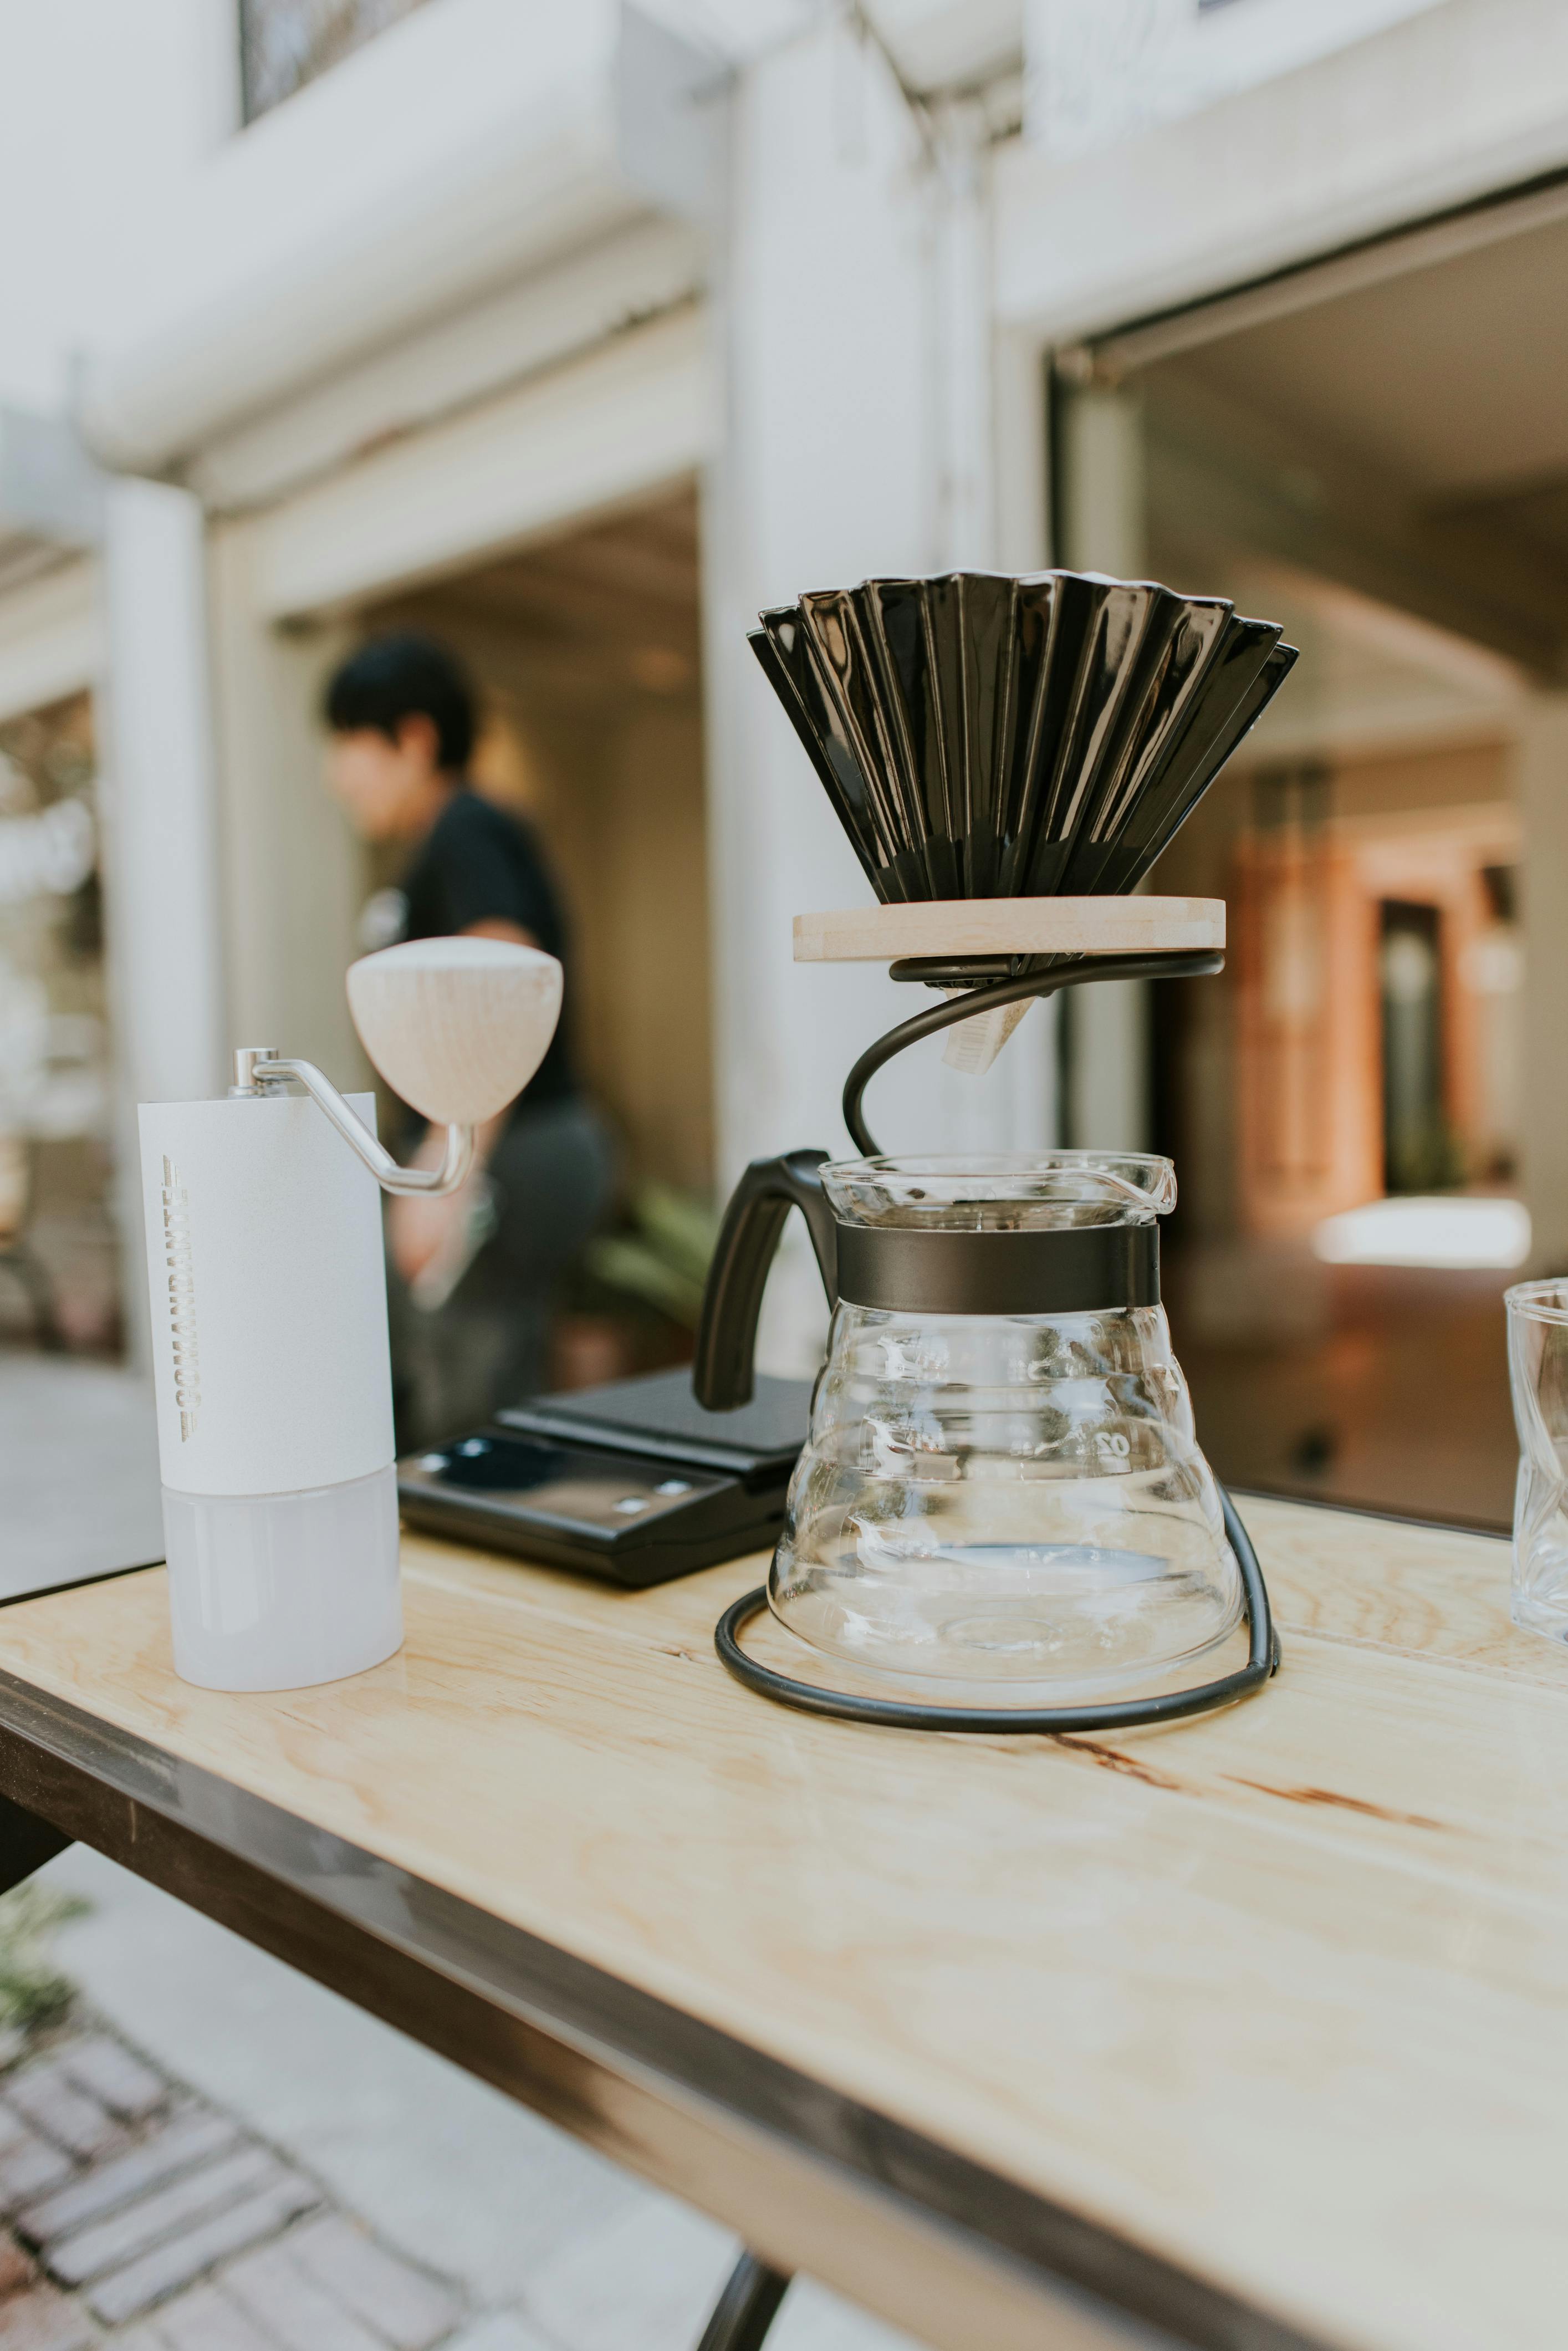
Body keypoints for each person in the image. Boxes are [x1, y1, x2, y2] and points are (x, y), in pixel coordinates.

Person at [324, 632, 613, 1439]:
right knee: (477, 1381)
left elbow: (500, 968)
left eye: (349, 743)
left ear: (413, 740)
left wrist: (450, 1170)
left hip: (511, 1145)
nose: (337, 772)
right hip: (520, 1141)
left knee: (470, 1398)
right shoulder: (453, 837)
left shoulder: (465, 831)